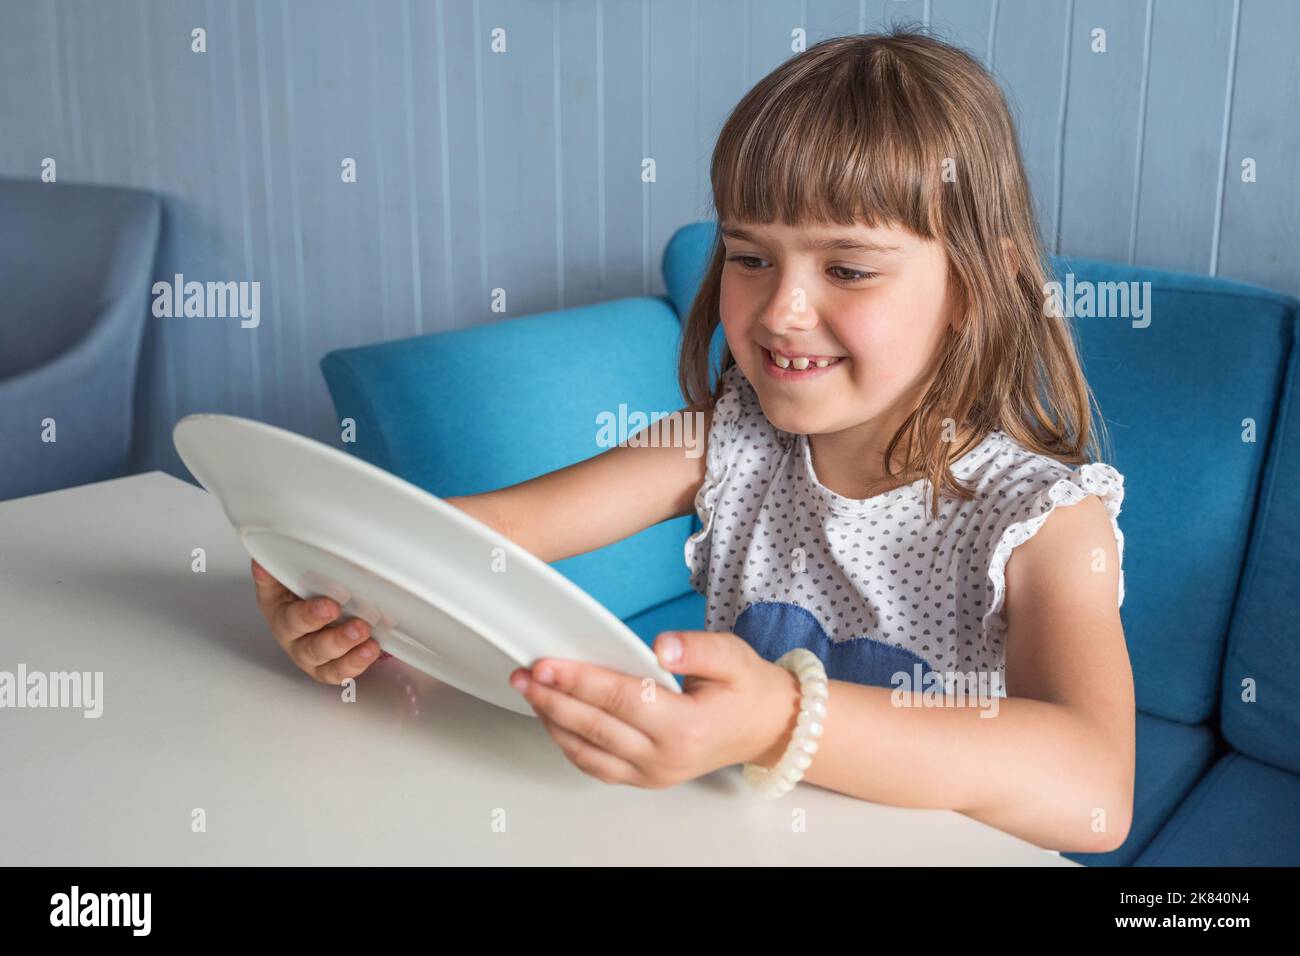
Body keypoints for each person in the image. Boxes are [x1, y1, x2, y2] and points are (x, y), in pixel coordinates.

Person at [253, 29, 1133, 854]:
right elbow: (487, 536)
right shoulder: (722, 439)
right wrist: (335, 578)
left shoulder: (1046, 519)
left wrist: (785, 719)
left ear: (979, 288)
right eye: (750, 256)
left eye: (847, 269)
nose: (781, 311)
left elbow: (1096, 788)